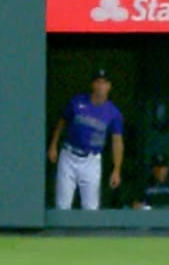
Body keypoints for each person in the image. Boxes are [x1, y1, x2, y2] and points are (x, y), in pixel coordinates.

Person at [47, 67, 124, 210]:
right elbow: (62, 122)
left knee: (90, 207)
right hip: (69, 155)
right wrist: (53, 145)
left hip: (91, 160)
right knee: (62, 205)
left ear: (109, 86)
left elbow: (117, 141)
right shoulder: (77, 102)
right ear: (93, 84)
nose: (101, 86)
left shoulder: (114, 113)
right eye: (98, 82)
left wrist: (117, 169)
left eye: (104, 83)